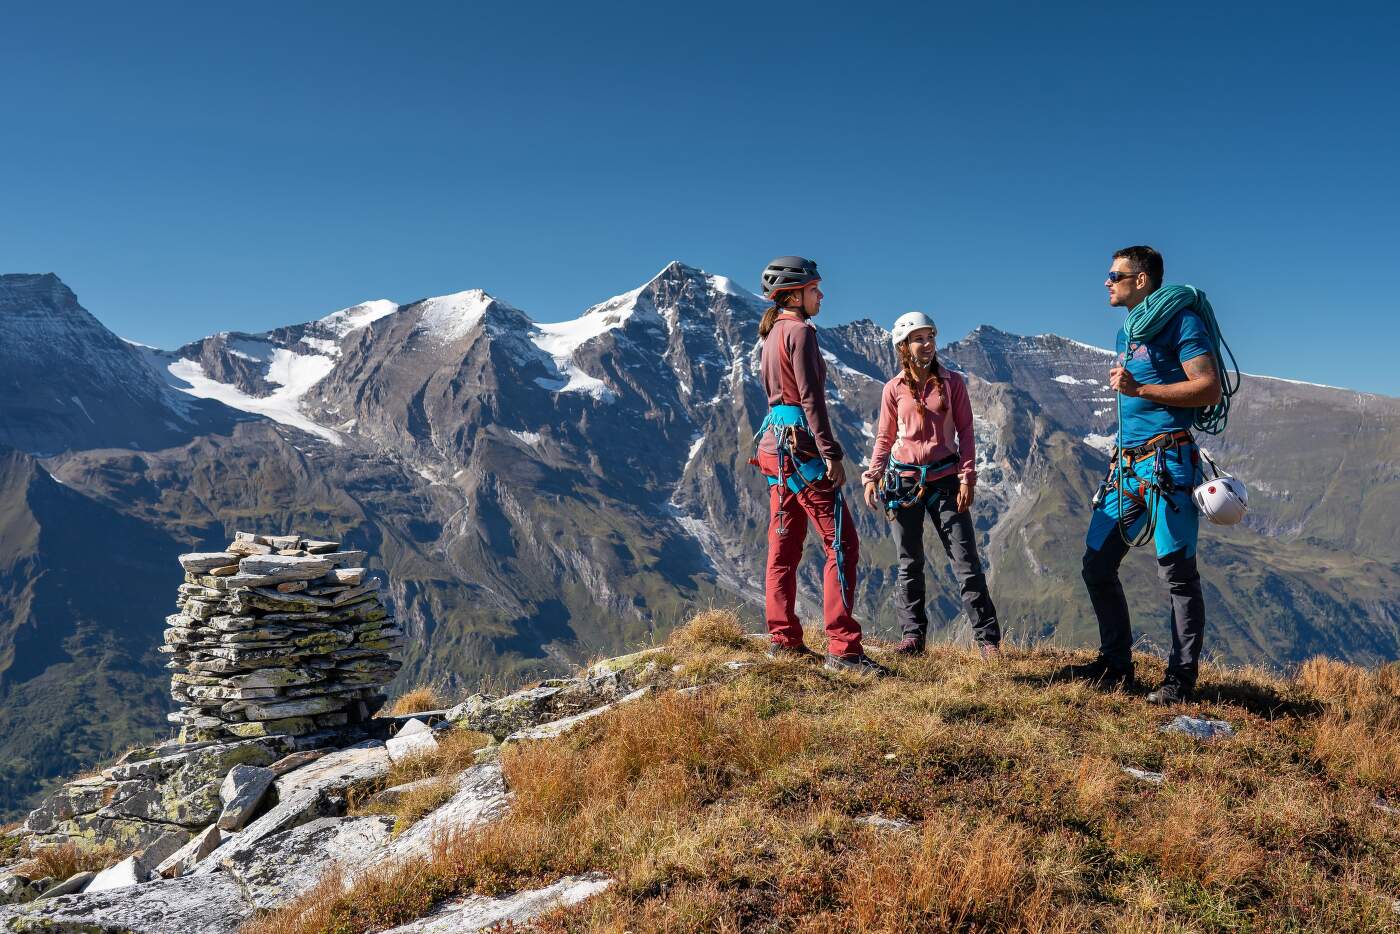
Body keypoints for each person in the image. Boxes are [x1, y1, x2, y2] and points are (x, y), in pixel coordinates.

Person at [1070, 246, 1221, 704]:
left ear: (1141, 279)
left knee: (1176, 574)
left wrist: (1142, 389)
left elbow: (1209, 387)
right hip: (1128, 465)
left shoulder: (1182, 322)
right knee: (1097, 565)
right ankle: (1115, 664)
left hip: (1166, 463)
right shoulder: (1127, 331)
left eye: (1114, 274)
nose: (1106, 281)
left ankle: (1180, 681)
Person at [753, 256, 885, 676]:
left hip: (774, 447)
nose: (822, 295)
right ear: (794, 294)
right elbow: (811, 398)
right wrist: (830, 453)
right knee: (842, 544)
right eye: (815, 289)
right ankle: (844, 649)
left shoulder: (771, 334)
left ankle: (783, 638)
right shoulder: (801, 333)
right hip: (803, 451)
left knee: (784, 546)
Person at [861, 312, 1001, 659]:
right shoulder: (893, 389)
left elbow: (966, 431)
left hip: (947, 482)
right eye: (919, 339)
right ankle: (912, 637)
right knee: (909, 562)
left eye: (930, 338)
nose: (927, 344)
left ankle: (988, 641)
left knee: (966, 561)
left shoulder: (952, 383)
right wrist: (872, 475)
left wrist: (968, 477)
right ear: (903, 347)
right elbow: (885, 436)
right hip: (903, 482)